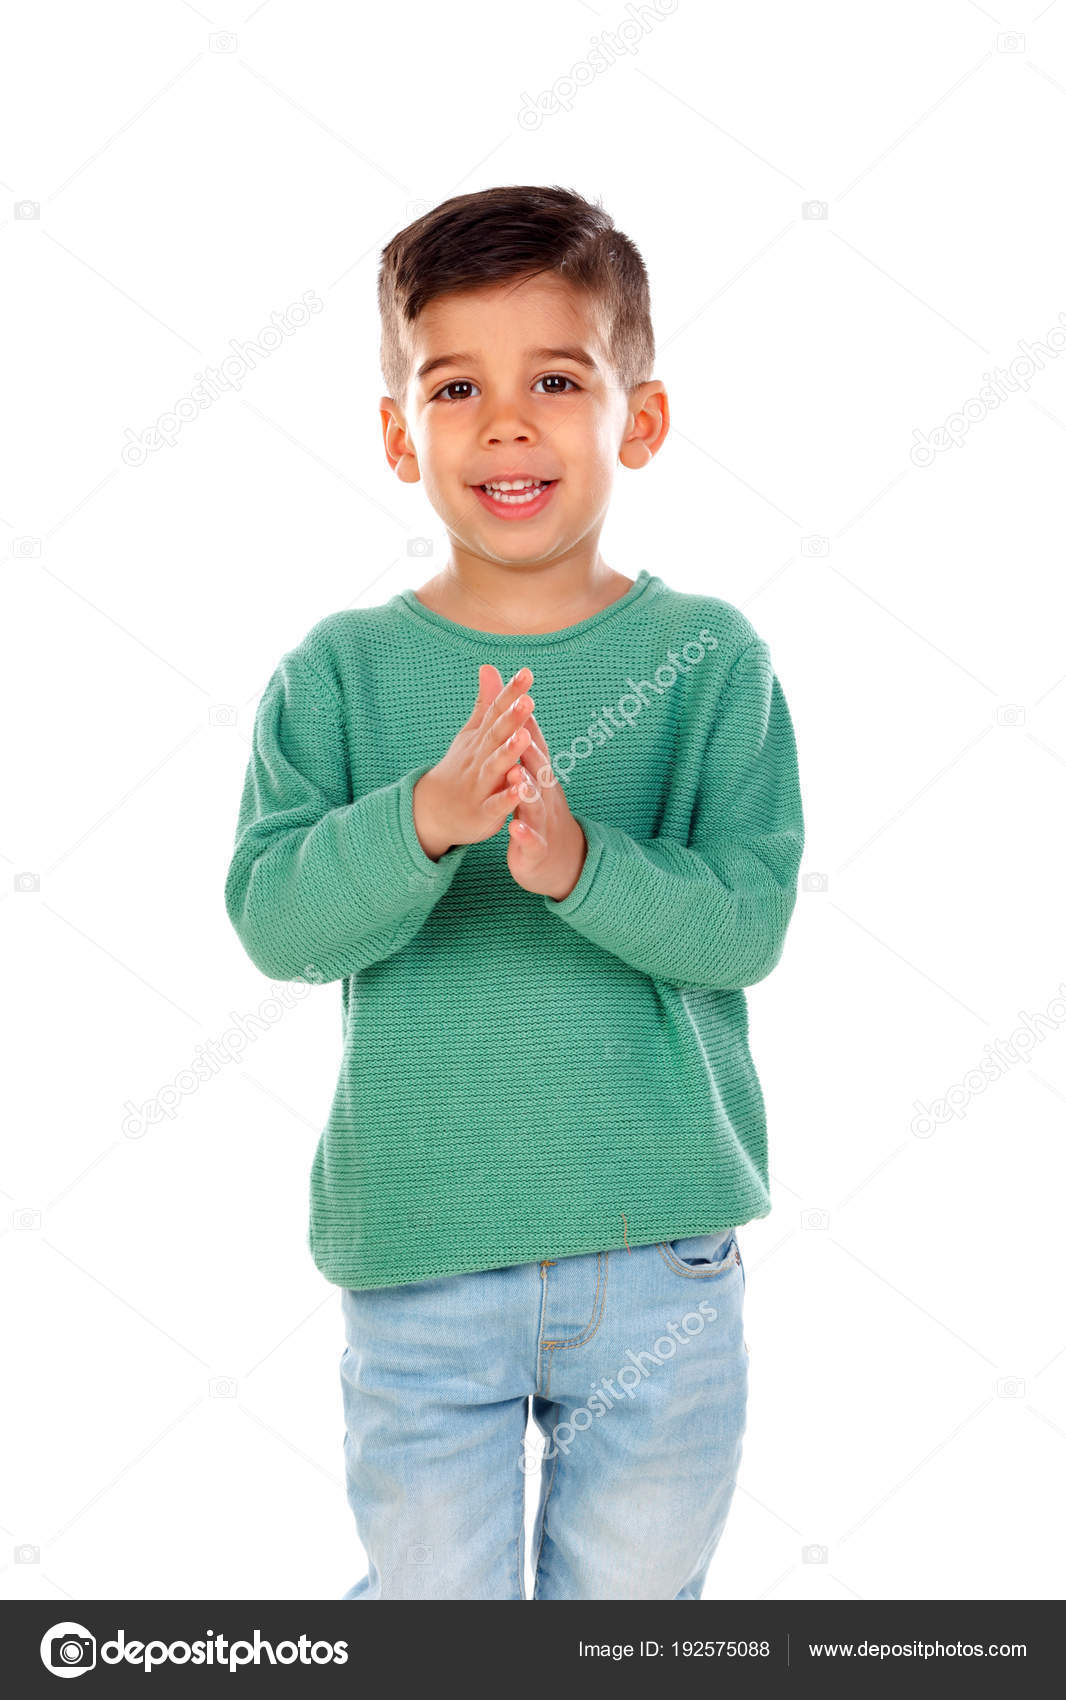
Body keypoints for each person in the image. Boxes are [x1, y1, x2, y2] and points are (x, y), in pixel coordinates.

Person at [224, 184, 805, 1600]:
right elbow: (276, 926)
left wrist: (573, 863)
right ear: (395, 432)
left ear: (639, 419)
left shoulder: (708, 656)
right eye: (454, 386)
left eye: (556, 378)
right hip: (421, 1256)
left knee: (627, 1622)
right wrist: (425, 821)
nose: (504, 422)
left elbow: (745, 923)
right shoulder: (340, 673)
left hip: (655, 1255)